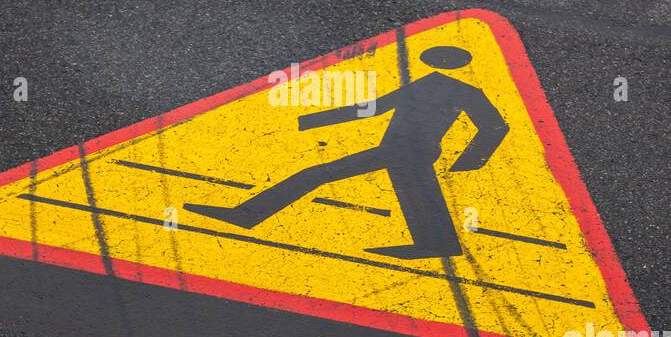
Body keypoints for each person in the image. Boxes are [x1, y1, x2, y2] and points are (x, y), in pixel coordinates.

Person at [185, 45, 507, 260]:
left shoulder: (450, 89)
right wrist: (309, 120)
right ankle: (438, 243)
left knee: (320, 175)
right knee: (418, 195)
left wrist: (469, 163)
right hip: (405, 150)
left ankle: (246, 215)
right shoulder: (434, 86)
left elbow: (494, 127)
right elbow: (375, 108)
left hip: (407, 151)